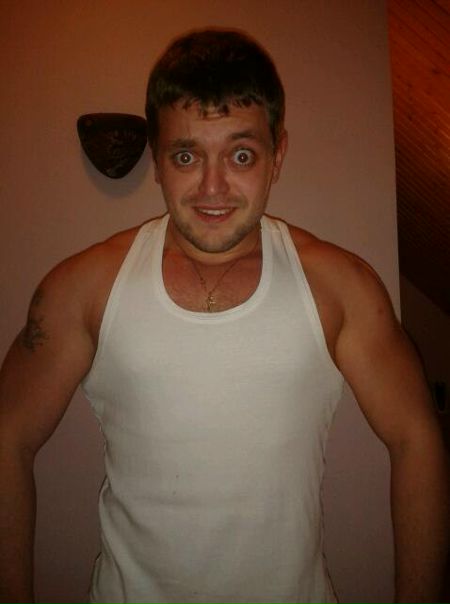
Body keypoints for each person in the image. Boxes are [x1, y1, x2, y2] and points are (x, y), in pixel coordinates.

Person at [0, 28, 448, 604]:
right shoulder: (83, 287)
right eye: (186, 156)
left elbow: (416, 436)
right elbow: (8, 434)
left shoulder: (341, 287)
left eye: (241, 155)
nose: (212, 187)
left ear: (277, 156)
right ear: (158, 161)